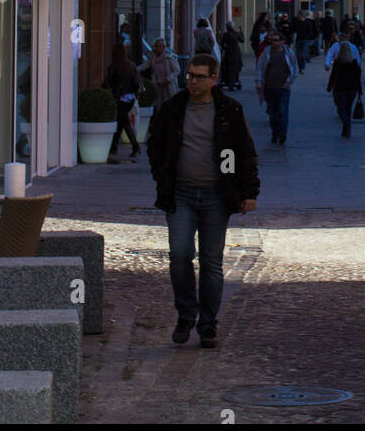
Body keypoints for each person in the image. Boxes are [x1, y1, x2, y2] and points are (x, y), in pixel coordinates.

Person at [147, 53, 259, 348]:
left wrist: (247, 192)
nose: (193, 81)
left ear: (213, 78)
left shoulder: (228, 110)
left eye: (199, 77)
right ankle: (186, 314)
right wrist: (161, 174)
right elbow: (155, 145)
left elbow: (242, 152)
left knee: (211, 263)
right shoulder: (173, 108)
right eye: (190, 76)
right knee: (179, 255)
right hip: (180, 194)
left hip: (215, 196)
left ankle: (208, 324)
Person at [255, 31, 298, 145]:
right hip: (269, 87)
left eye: (275, 40)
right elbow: (259, 67)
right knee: (272, 113)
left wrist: (289, 81)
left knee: (283, 112)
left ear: (282, 41)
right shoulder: (266, 52)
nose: (272, 42)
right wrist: (258, 81)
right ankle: (275, 133)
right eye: (271, 40)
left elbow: (294, 67)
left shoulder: (288, 53)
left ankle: (282, 134)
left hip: (284, 87)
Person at [104, 41, 143, 162]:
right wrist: (135, 94)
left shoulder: (114, 66)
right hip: (130, 98)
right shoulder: (131, 65)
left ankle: (135, 146)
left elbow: (106, 83)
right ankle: (114, 147)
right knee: (121, 122)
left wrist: (107, 91)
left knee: (124, 123)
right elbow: (137, 82)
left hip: (119, 98)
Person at [327, 43, 362, 138]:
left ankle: (346, 124)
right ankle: (346, 129)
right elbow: (358, 77)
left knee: (340, 109)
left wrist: (329, 87)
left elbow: (333, 75)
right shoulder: (354, 63)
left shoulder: (338, 62)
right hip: (352, 89)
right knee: (348, 109)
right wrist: (359, 90)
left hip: (340, 88)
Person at [138, 39, 181, 113]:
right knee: (159, 106)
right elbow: (145, 66)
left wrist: (168, 79)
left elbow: (177, 70)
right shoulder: (153, 58)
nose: (155, 48)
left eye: (158, 46)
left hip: (168, 86)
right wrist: (134, 69)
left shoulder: (169, 57)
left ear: (163, 47)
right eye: (155, 46)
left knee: (169, 105)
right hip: (158, 86)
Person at [218, 21, 244, 91]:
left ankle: (229, 81)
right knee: (235, 67)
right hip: (236, 52)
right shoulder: (236, 33)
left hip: (229, 52)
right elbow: (242, 40)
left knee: (228, 67)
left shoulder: (226, 34)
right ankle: (233, 81)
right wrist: (240, 31)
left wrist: (224, 48)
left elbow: (222, 44)